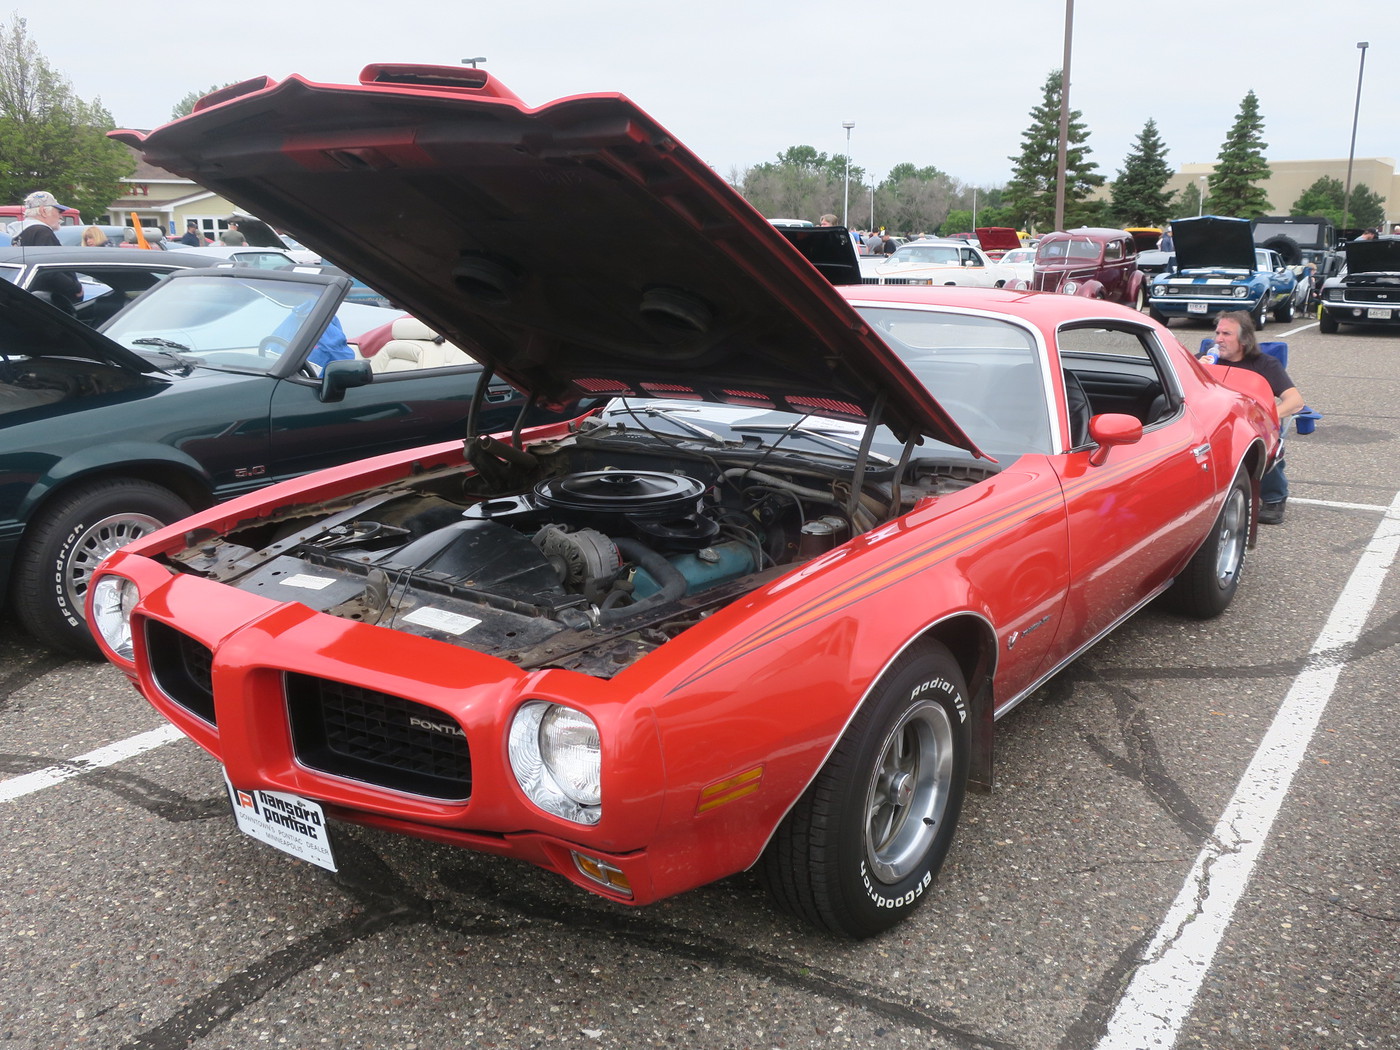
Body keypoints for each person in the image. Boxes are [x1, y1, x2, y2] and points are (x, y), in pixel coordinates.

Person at [1202, 311, 1304, 524]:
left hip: (1250, 425)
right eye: (1217, 332)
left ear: (1244, 339)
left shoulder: (1265, 364)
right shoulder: (1205, 360)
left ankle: (1274, 499)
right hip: (1211, 424)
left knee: (1268, 441)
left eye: (1226, 334)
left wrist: (1266, 417)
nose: (1218, 339)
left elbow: (1295, 401)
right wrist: (1198, 369)